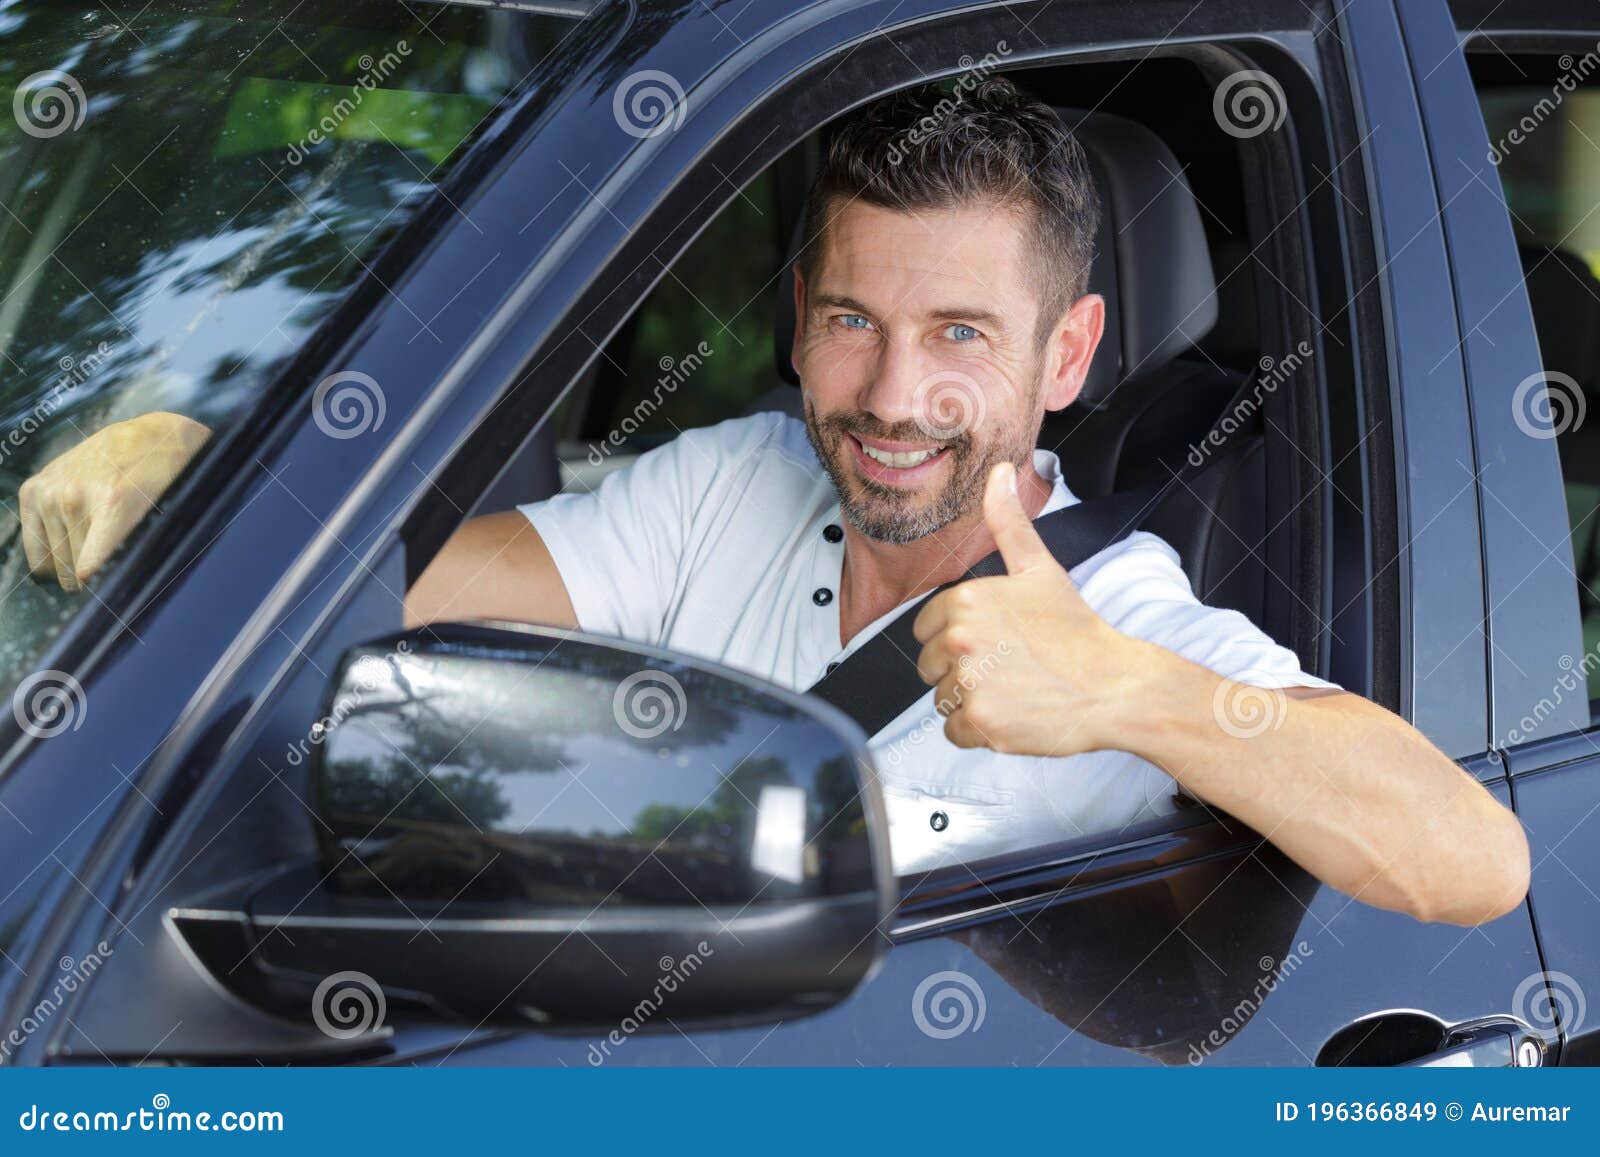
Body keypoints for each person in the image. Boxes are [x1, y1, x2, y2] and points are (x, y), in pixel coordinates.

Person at [19, 80, 1529, 924]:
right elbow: (391, 601)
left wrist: (1131, 697)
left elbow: (1477, 858)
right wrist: (209, 481)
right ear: (801, 310)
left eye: (960, 337)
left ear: (1067, 354)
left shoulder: (1126, 614)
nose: (887, 397)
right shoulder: (723, 481)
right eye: (854, 321)